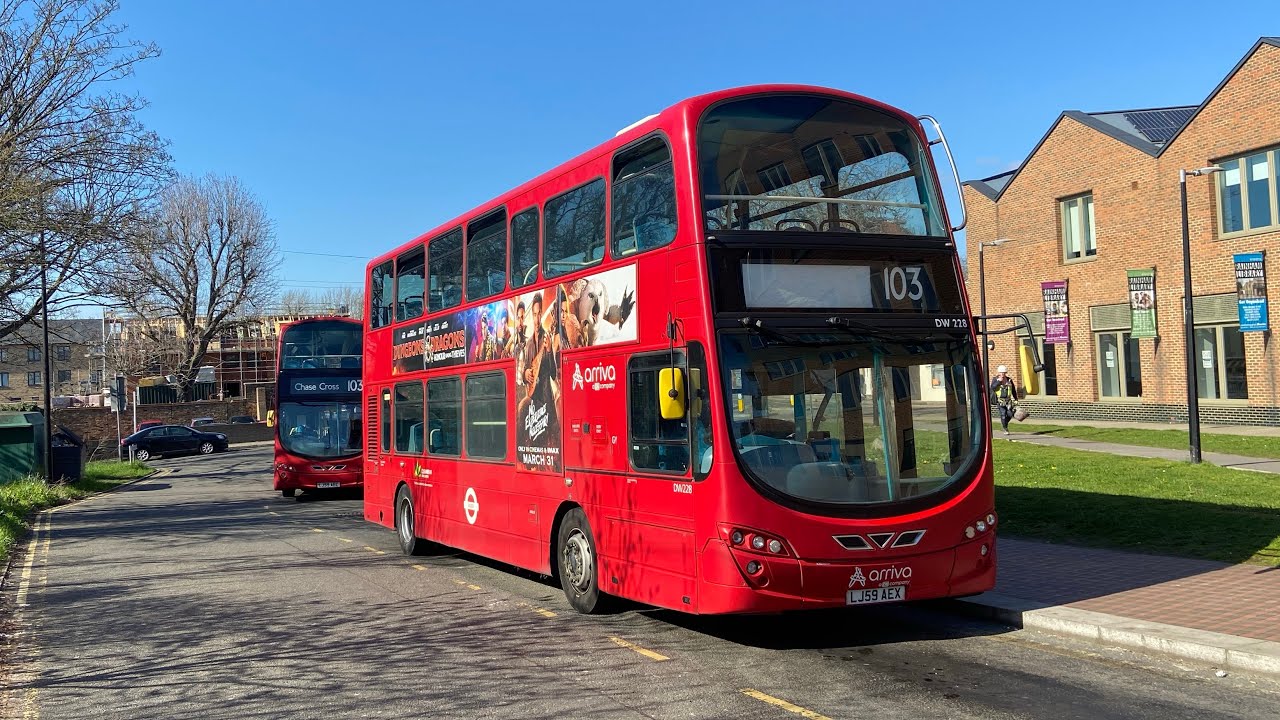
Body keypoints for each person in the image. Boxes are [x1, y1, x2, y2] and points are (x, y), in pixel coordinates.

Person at [989, 365, 1019, 435]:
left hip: (1008, 401)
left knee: (1010, 414)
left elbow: (1013, 390)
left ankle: (1004, 424)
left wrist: (1016, 398)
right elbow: (992, 387)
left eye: (1004, 373)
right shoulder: (995, 379)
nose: (1002, 374)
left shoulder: (1009, 380)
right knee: (1003, 414)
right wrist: (998, 382)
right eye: (1001, 373)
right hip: (1000, 401)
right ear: (999, 373)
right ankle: (1005, 428)